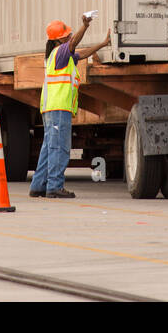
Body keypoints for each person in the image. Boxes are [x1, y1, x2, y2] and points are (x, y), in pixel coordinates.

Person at [29, 14, 110, 199]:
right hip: (59, 108)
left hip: (50, 108)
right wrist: (85, 26)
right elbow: (74, 44)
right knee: (60, 148)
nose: (70, 35)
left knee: (49, 147)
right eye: (67, 34)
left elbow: (83, 53)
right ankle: (55, 187)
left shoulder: (56, 56)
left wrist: (103, 44)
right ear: (60, 38)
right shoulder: (60, 53)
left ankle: (38, 185)